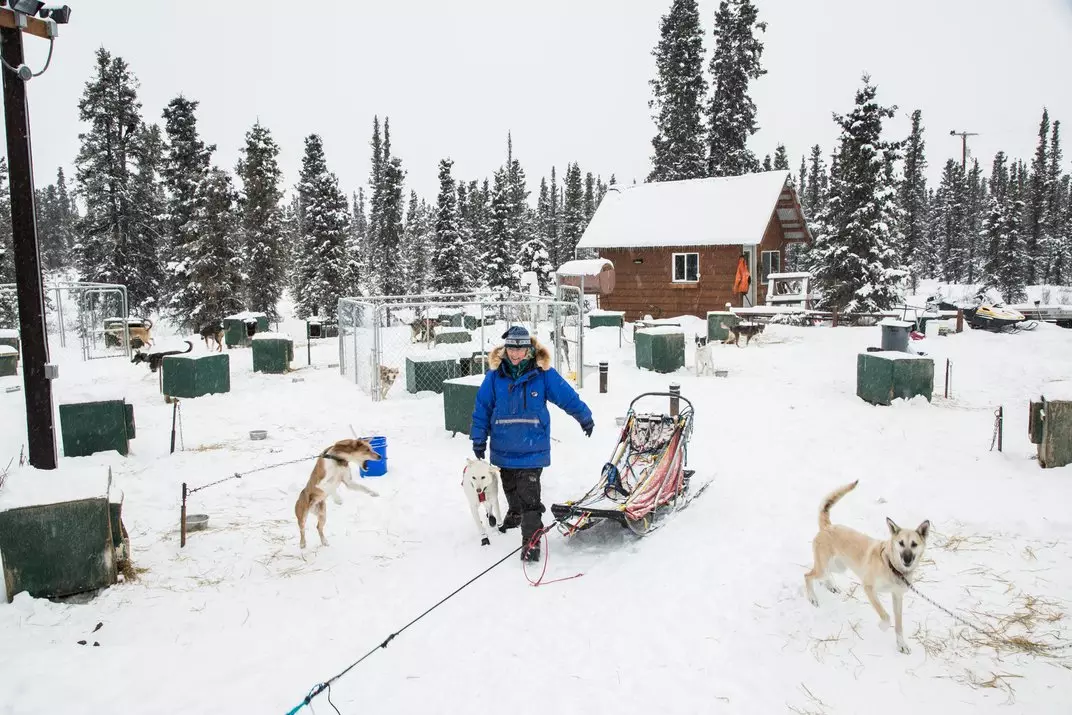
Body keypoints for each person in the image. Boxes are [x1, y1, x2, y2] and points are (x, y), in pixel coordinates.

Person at [470, 325, 594, 562]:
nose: (516, 355)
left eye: (521, 350)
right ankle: (515, 513)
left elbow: (566, 396)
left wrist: (584, 417)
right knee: (510, 488)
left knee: (529, 497)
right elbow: (482, 409)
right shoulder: (494, 377)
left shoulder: (543, 374)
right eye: (511, 350)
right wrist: (478, 437)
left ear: (529, 350)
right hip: (503, 448)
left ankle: (531, 543)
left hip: (532, 448)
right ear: (505, 350)